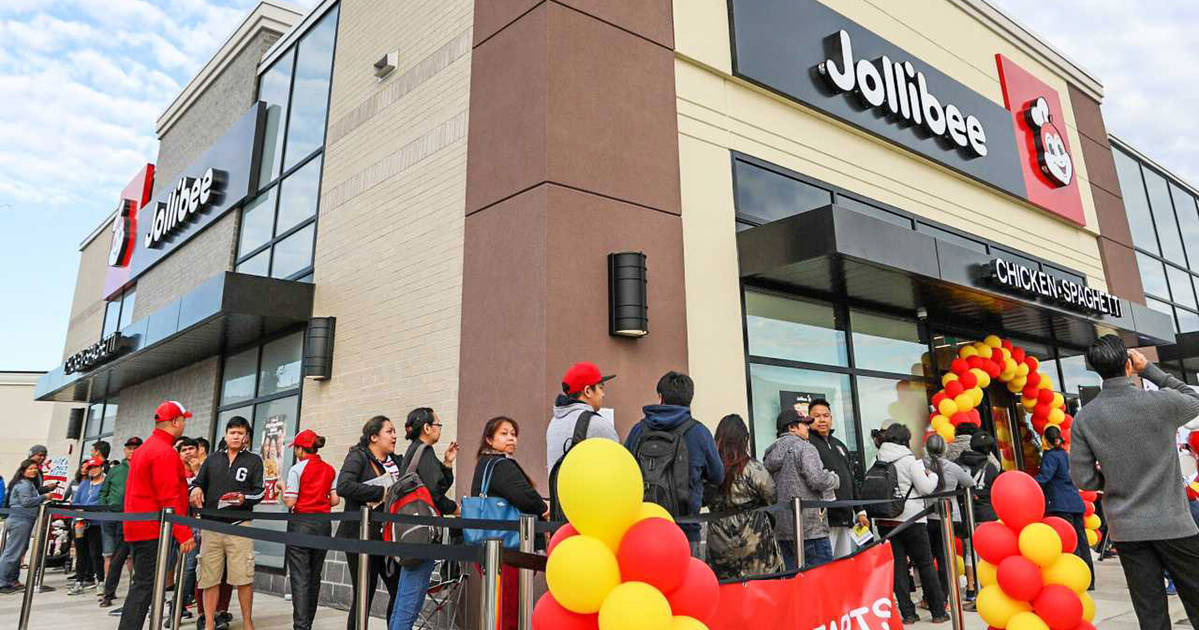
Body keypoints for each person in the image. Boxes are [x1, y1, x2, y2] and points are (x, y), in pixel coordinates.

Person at [1070, 336, 1199, 629]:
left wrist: (1113, 476)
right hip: (1174, 522)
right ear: (1129, 364)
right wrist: (1150, 370)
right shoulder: (1161, 402)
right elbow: (1195, 400)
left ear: (1097, 371)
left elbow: (1083, 478)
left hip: (1127, 530)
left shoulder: (1086, 418)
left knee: (1150, 612)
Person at [625, 371, 723, 554]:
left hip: (644, 528)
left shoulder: (639, 430)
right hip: (686, 530)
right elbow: (717, 475)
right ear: (689, 400)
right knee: (686, 581)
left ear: (660, 398)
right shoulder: (699, 432)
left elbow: (623, 472)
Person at [118, 401, 196, 630]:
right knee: (144, 587)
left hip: (138, 526)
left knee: (142, 585)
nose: (184, 424)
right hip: (152, 529)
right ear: (174, 422)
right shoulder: (164, 453)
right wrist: (184, 533)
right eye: (182, 420)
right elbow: (169, 497)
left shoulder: (146, 448)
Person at [472, 416, 547, 630]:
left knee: (500, 607)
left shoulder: (485, 464)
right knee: (511, 610)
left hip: (490, 545)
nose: (511, 438)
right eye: (504, 434)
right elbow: (525, 497)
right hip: (509, 548)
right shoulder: (501, 465)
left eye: (513, 434)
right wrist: (545, 509)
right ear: (489, 439)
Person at [189, 416, 264, 630]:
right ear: (226, 435)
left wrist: (243, 498)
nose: (236, 436)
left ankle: (248, 623)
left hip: (239, 525)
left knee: (243, 577)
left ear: (246, 437)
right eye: (232, 432)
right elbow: (196, 483)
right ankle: (210, 623)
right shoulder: (212, 460)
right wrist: (196, 489)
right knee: (208, 578)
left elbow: (259, 492)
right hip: (211, 526)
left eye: (240, 433)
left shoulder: (254, 460)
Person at [389, 408, 460, 630]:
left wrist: (447, 463)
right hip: (422, 535)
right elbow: (435, 495)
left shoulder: (413, 451)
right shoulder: (425, 451)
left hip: (409, 533)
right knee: (411, 601)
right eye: (438, 424)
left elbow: (434, 486)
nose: (439, 429)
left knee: (403, 599)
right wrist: (456, 509)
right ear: (427, 428)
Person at [337, 415, 405, 630]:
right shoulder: (358, 457)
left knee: (398, 590)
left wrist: (448, 466)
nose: (395, 436)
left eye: (395, 431)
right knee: (365, 592)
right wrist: (381, 491)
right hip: (360, 536)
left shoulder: (397, 462)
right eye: (389, 431)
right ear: (374, 437)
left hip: (388, 537)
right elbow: (344, 486)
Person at [874, 423, 946, 625]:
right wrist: (932, 475)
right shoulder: (909, 460)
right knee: (924, 564)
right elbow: (925, 488)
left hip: (886, 520)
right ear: (906, 440)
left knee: (898, 567)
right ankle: (938, 611)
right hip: (912, 520)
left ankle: (907, 614)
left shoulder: (877, 459)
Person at [704, 414, 783, 579]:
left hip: (718, 540)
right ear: (744, 439)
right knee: (759, 588)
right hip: (753, 540)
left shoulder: (710, 468)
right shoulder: (752, 468)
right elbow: (772, 494)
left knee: (725, 589)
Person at [764, 409, 838, 570]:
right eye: (804, 424)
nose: (808, 428)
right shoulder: (804, 448)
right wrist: (834, 479)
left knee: (793, 584)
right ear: (792, 427)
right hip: (811, 529)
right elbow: (818, 479)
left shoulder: (770, 453)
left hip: (783, 530)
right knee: (822, 583)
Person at [282, 429, 339, 630]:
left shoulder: (297, 469)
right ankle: (308, 623)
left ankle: (301, 626)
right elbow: (335, 499)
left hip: (300, 525)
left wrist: (282, 489)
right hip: (323, 526)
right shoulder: (330, 469)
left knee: (300, 578)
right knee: (314, 577)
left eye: (296, 448)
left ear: (300, 449)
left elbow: (291, 500)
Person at [1035, 425, 1094, 589]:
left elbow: (1045, 477)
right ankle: (1089, 578)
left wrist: (1028, 483)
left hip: (1060, 503)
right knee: (1082, 541)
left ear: (1045, 439)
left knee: (1069, 542)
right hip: (1075, 502)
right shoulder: (1066, 455)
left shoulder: (1051, 456)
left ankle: (1076, 578)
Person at [807, 400, 867, 558]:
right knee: (825, 566)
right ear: (808, 419)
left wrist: (860, 511)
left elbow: (850, 480)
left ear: (831, 418)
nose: (822, 420)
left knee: (845, 563)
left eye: (825, 415)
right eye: (817, 416)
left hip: (846, 517)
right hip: (823, 520)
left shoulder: (839, 445)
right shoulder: (807, 445)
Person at [923, 434, 974, 604]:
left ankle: (928, 598)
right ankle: (944, 598)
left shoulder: (922, 465)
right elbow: (969, 482)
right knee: (945, 559)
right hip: (949, 517)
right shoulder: (953, 467)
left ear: (927, 449)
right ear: (945, 449)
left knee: (927, 561)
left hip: (928, 517)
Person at [546, 361, 619, 473]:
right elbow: (618, 468)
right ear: (588, 391)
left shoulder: (554, 422)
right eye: (601, 388)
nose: (603, 394)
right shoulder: (597, 424)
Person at [0, 459, 55, 593]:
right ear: (23, 470)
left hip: (22, 520)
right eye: (30, 469)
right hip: (20, 520)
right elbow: (26, 502)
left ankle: (12, 580)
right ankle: (2, 582)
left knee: (18, 551)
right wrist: (45, 496)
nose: (34, 471)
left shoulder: (26, 483)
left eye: (35, 469)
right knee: (12, 553)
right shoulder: (24, 484)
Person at [98, 436, 140, 608]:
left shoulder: (145, 467)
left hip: (139, 519)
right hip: (117, 519)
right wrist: (106, 508)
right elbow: (104, 492)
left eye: (136, 448)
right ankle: (108, 593)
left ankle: (136, 592)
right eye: (130, 448)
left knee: (137, 560)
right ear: (125, 450)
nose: (133, 451)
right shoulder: (116, 470)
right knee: (116, 559)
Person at [67, 456, 106, 595]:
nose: (92, 470)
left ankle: (100, 580)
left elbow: (103, 502)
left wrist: (87, 509)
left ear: (101, 467)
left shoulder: (105, 483)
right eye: (90, 468)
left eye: (95, 467)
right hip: (80, 522)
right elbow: (76, 501)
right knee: (80, 553)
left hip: (96, 523)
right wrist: (79, 511)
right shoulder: (84, 484)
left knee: (96, 553)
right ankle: (79, 581)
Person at [956, 432, 1000, 523]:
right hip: (987, 515)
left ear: (971, 445)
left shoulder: (956, 464)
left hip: (962, 515)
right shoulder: (992, 468)